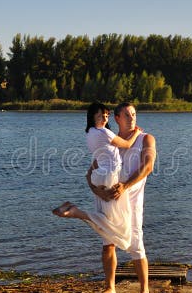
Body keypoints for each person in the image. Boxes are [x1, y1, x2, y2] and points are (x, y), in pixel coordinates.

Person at [52, 103, 143, 282]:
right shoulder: (103, 132)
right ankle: (77, 212)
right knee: (119, 227)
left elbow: (96, 159)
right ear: (92, 116)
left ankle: (77, 212)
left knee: (108, 226)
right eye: (101, 115)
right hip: (109, 177)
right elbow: (126, 144)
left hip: (98, 176)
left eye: (107, 116)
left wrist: (94, 185)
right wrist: (137, 133)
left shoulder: (90, 134)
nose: (104, 118)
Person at [86, 102, 156, 293]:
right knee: (107, 243)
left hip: (131, 201)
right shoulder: (108, 140)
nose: (132, 117)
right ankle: (110, 287)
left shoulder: (145, 138)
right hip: (109, 200)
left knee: (136, 244)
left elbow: (148, 166)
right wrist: (96, 190)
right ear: (117, 118)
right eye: (127, 114)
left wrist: (125, 186)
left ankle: (144, 291)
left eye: (134, 113)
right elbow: (90, 173)